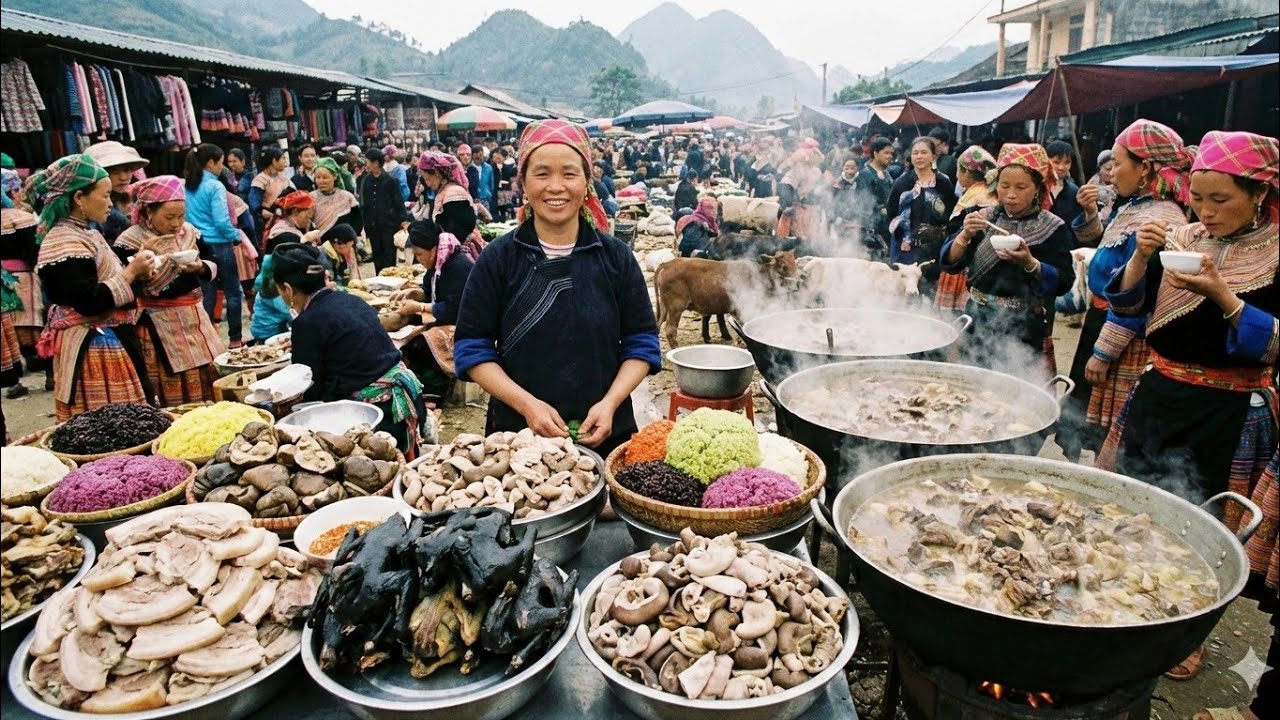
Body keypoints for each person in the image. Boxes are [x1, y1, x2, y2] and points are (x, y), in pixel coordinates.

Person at [1100, 130, 1278, 687]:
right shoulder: (1182, 235)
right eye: (1198, 197)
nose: (1205, 211)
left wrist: (1223, 296)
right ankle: (1115, 601)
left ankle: (1185, 632)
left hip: (1228, 410)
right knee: (1130, 506)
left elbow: (1273, 347)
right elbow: (1127, 306)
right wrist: (1141, 257)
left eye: (1220, 199)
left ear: (1260, 194)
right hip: (1160, 394)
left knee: (1203, 527)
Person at [454, 119, 662, 456]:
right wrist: (526, 405)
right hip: (518, 440)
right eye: (541, 173)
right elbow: (472, 348)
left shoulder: (615, 258)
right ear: (522, 181)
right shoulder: (498, 259)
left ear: (586, 182)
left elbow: (642, 343)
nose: (555, 187)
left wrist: (609, 404)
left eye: (568, 173)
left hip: (607, 432)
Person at [1058, 120, 1193, 462]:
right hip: (1100, 320)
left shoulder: (1161, 222)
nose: (1110, 173)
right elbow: (1103, 247)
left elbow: (1146, 296)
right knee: (1086, 423)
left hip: (1124, 336)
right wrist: (1089, 212)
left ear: (1145, 167)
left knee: (1113, 438)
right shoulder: (1132, 207)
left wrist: (1104, 353)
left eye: (1117, 164)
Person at [33, 154, 156, 421]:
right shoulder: (64, 241)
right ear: (79, 198)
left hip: (106, 339)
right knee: (112, 427)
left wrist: (137, 272)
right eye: (104, 195)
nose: (110, 203)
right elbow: (88, 301)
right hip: (93, 346)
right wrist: (131, 272)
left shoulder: (85, 233)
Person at [274, 242, 425, 456]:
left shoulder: (306, 323)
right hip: (408, 402)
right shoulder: (351, 299)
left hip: (378, 419)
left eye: (280, 290)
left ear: (288, 289)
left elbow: (309, 384)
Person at [940, 143, 1076, 378]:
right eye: (1004, 186)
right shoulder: (981, 217)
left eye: (1021, 187)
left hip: (1022, 326)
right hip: (978, 319)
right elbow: (950, 263)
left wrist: (1029, 263)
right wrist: (964, 235)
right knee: (972, 388)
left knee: (1014, 395)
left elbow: (1064, 281)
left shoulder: (1053, 227)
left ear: (1037, 188)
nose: (1010, 194)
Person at [114, 176, 222, 406]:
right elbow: (126, 286)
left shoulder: (190, 232)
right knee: (170, 390)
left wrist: (200, 267)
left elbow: (212, 261)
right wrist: (142, 263)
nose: (176, 224)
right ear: (149, 212)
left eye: (181, 216)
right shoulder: (130, 240)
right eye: (169, 217)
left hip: (195, 320)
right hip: (156, 325)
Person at [392, 219, 475, 398]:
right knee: (407, 334)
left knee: (420, 345)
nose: (418, 259)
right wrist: (415, 293)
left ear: (434, 248)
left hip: (466, 323)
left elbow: (455, 308)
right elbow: (430, 291)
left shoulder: (457, 266)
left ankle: (434, 391)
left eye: (420, 254)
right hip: (447, 317)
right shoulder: (437, 264)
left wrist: (420, 306)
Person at [183, 144, 244, 349]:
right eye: (220, 162)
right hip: (220, 245)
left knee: (206, 294)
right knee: (233, 292)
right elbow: (221, 221)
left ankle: (206, 340)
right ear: (210, 163)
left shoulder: (186, 185)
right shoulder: (215, 186)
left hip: (197, 245)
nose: (222, 167)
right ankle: (235, 340)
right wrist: (235, 234)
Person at [936, 145, 999, 313]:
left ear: (965, 172)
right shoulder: (990, 192)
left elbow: (957, 229)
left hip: (966, 264)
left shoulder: (974, 196)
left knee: (958, 317)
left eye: (958, 171)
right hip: (986, 262)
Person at [889, 137, 956, 278]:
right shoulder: (902, 183)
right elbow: (891, 212)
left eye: (924, 152)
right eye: (915, 153)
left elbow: (951, 211)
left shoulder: (943, 182)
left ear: (933, 155)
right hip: (905, 247)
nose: (919, 156)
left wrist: (939, 230)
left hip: (933, 247)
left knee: (929, 287)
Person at [1, 208, 51, 397]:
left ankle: (16, 380)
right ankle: (50, 373)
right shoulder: (22, 218)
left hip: (3, 284)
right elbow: (34, 249)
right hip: (24, 279)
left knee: (10, 333)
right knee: (33, 330)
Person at [417, 151, 484, 261]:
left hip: (459, 252)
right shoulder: (444, 191)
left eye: (428, 179)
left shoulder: (453, 192)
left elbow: (462, 227)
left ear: (437, 174)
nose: (428, 184)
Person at [83, 141, 149, 244]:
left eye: (127, 170)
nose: (123, 177)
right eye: (115, 172)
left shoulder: (131, 198)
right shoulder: (94, 207)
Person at [360, 148, 410, 273]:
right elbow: (364, 204)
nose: (365, 165)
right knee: (377, 255)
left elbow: (398, 202)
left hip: (389, 225)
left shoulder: (391, 180)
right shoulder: (366, 180)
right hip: (372, 226)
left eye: (367, 162)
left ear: (376, 163)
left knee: (389, 255)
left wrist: (403, 220)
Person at [777, 140, 827, 243]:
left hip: (808, 209)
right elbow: (785, 185)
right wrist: (787, 205)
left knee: (806, 237)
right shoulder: (798, 169)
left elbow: (819, 189)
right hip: (793, 207)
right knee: (789, 235)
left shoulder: (816, 171)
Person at [854, 137, 896, 257]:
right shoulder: (865, 174)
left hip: (887, 225)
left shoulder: (887, 173)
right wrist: (881, 209)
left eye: (891, 153)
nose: (889, 156)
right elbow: (864, 203)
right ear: (875, 153)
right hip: (872, 228)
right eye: (886, 153)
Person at [249, 147, 294, 241]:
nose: (285, 162)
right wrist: (262, 212)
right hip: (268, 220)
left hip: (286, 218)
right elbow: (254, 202)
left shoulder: (283, 177)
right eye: (283, 158)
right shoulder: (260, 179)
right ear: (274, 161)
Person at [309, 157, 360, 235]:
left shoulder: (347, 197)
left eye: (325, 177)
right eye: (318, 177)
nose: (321, 181)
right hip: (320, 242)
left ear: (335, 176)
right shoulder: (311, 198)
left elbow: (358, 222)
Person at [1045, 140, 1083, 236]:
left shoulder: (1074, 191)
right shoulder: (1038, 189)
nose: (1061, 167)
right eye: (1056, 162)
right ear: (1047, 161)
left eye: (1067, 162)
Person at [320, 223, 361, 288]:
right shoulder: (324, 256)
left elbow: (353, 272)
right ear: (337, 244)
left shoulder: (343, 251)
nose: (350, 249)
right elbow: (329, 284)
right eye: (348, 246)